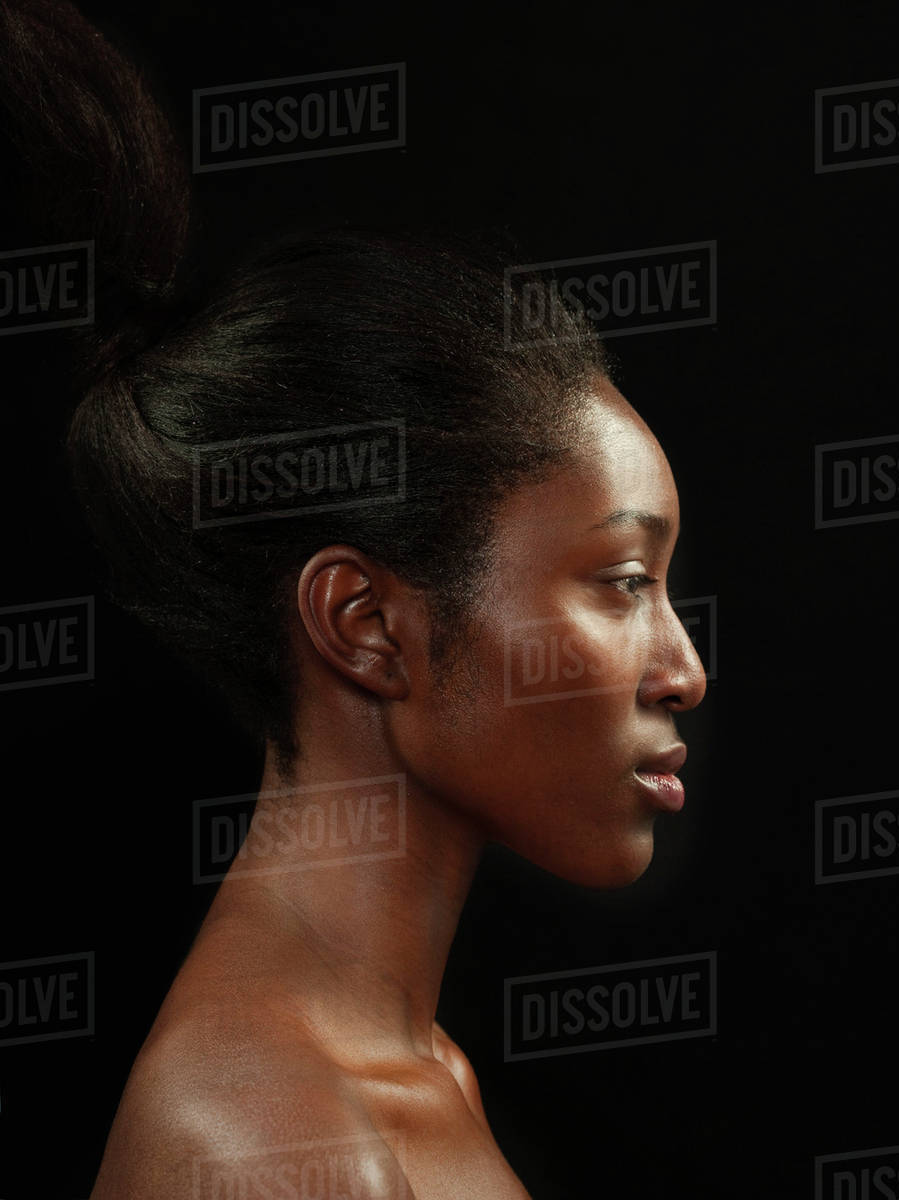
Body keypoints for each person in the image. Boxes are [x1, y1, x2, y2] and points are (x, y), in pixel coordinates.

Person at [1, 2, 707, 1195]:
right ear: (367, 626)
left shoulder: (416, 1076)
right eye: (624, 582)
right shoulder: (272, 1144)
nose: (682, 668)